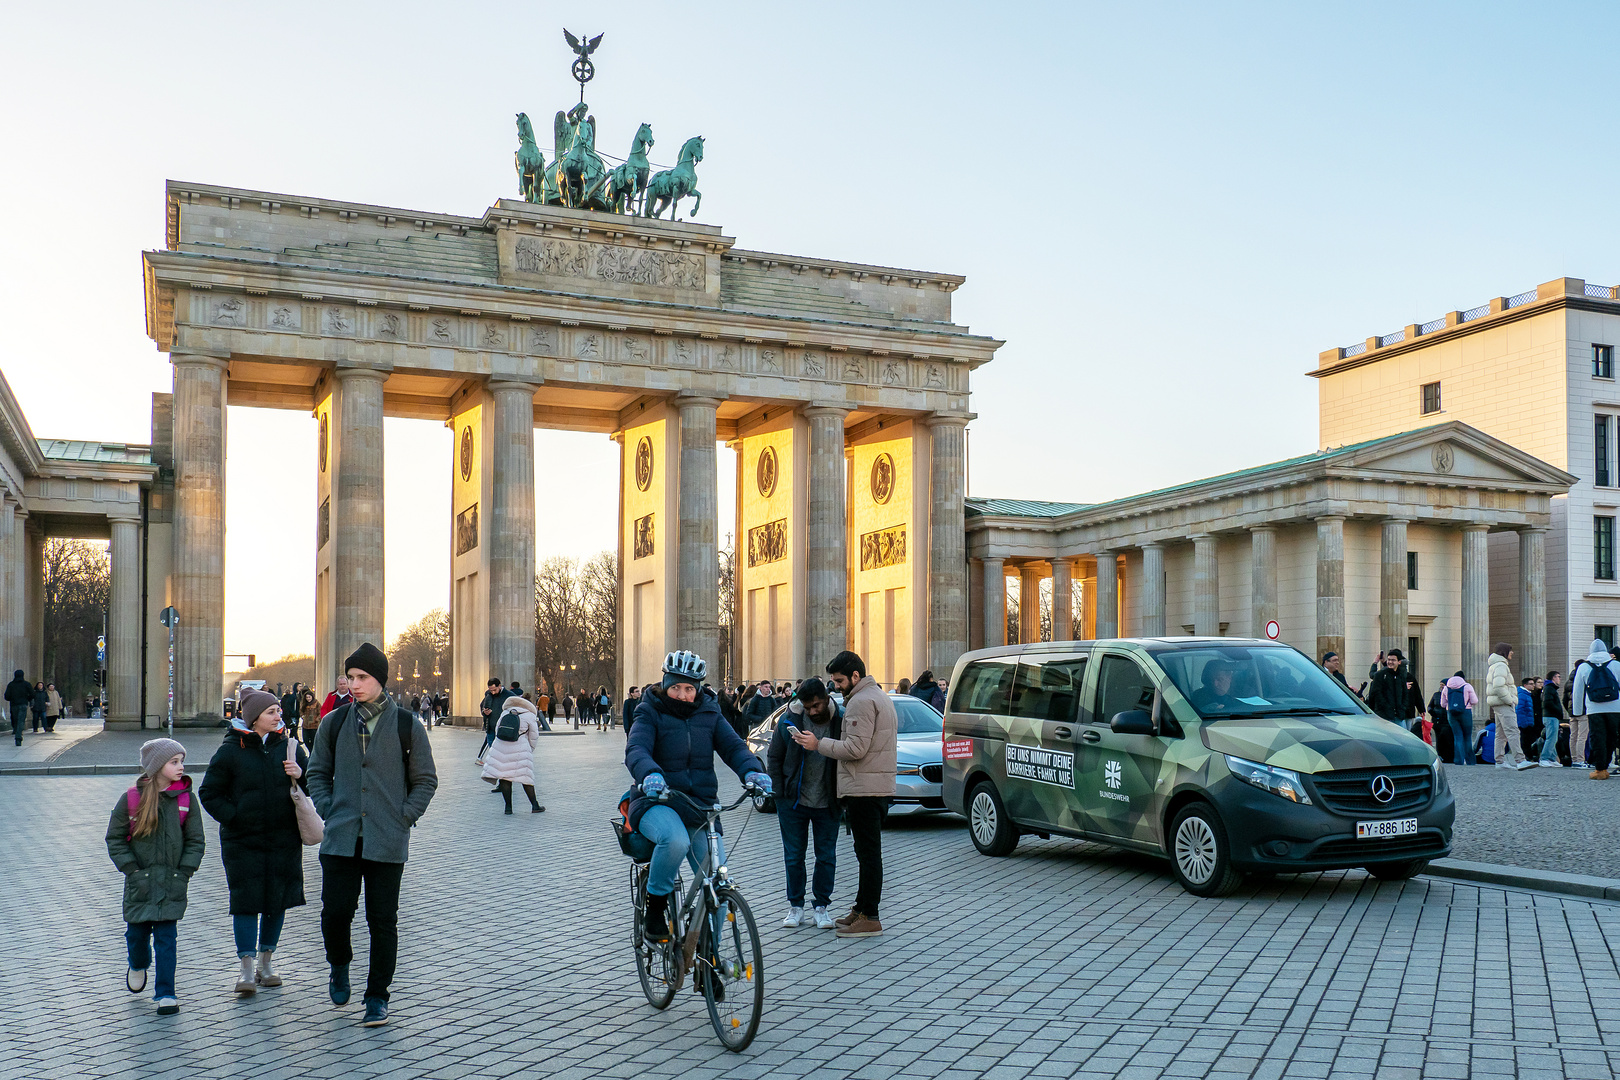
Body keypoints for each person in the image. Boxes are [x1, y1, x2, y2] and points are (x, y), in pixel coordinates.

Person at [306, 642, 439, 1028]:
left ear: (379, 679)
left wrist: (405, 817)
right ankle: (339, 964)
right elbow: (316, 772)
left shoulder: (405, 725)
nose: (354, 684)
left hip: (386, 839)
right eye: (350, 677)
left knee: (382, 920)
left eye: (362, 677)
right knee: (335, 914)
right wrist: (329, 810)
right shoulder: (333, 723)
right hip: (341, 838)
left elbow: (426, 780)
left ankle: (378, 996)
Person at [624, 650, 770, 993]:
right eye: (677, 689)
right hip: (657, 799)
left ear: (698, 689)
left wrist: (753, 771)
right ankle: (655, 909)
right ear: (665, 685)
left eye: (690, 689)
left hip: (700, 806)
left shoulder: (709, 711)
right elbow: (637, 749)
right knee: (676, 842)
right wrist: (650, 774)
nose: (684, 696)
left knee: (719, 886)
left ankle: (708, 961)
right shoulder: (650, 710)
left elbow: (734, 747)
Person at [198, 689, 309, 996]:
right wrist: (234, 817)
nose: (278, 716)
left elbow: (313, 786)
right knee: (245, 902)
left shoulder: (291, 748)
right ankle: (246, 969)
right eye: (272, 711)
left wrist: (301, 774)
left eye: (278, 711)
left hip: (283, 838)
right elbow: (208, 793)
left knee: (277, 900)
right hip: (242, 841)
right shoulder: (231, 750)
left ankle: (267, 963)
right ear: (255, 717)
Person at [792, 650, 897, 939]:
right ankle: (861, 908)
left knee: (869, 854)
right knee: (865, 853)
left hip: (865, 788)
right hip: (871, 786)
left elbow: (855, 749)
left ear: (855, 676)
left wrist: (819, 744)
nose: (836, 686)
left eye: (839, 680)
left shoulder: (862, 702)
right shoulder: (875, 696)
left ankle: (870, 916)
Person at [105, 738, 204, 1016]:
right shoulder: (132, 799)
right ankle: (137, 964)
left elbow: (196, 840)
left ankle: (166, 993)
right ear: (157, 766)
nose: (180, 767)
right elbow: (115, 838)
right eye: (174, 762)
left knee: (166, 939)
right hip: (140, 883)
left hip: (172, 882)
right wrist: (132, 870)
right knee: (136, 936)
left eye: (181, 761)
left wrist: (184, 871)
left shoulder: (186, 798)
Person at [768, 677, 842, 930]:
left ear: (826, 698)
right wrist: (778, 793)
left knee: (826, 856)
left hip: (828, 801)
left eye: (817, 705)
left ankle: (821, 907)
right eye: (808, 706)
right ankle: (795, 906)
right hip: (792, 801)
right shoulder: (789, 719)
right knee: (794, 856)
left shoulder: (840, 719)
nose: (812, 711)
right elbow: (774, 756)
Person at [481, 693, 544, 814]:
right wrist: (530, 748)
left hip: (502, 747)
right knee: (526, 778)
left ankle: (508, 807)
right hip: (520, 747)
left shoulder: (505, 713)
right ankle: (535, 805)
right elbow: (534, 736)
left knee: (505, 777)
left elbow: (497, 729)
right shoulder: (529, 715)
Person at [1572, 639, 1620, 779]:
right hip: (1615, 707)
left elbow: (1577, 691)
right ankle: (1607, 763)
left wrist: (1577, 710)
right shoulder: (1616, 665)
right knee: (1611, 737)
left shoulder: (1583, 667)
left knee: (1597, 737)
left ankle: (1600, 769)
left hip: (1594, 708)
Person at [1486, 643, 1534, 770]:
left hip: (1498, 703)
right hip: (1503, 703)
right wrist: (1510, 700)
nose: (1512, 653)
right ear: (1504, 652)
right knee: (1512, 731)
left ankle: (1500, 761)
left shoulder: (1495, 665)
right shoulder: (1501, 666)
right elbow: (1498, 686)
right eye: (1510, 651)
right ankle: (1520, 760)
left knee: (1501, 734)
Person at [1367, 652, 1416, 727]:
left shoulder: (1401, 676)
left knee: (1402, 737)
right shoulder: (1380, 675)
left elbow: (1405, 694)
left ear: (1399, 662)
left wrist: (1402, 707)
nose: (1390, 662)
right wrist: (1385, 707)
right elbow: (1375, 694)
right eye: (1389, 660)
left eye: (1393, 660)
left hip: (1399, 715)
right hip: (1384, 715)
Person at [1441, 672, 1478, 766]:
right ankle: (1470, 760)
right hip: (1465, 712)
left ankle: (1458, 760)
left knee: (1457, 737)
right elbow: (1475, 701)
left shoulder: (1446, 687)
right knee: (1467, 737)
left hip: (1451, 713)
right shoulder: (1467, 686)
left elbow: (1442, 704)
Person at [477, 677, 509, 764]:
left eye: (494, 690)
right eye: (491, 690)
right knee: (492, 750)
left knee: (502, 751)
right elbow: (482, 705)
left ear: (499, 686)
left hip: (503, 728)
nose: (493, 692)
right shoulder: (488, 694)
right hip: (490, 727)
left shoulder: (509, 695)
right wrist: (484, 712)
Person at [1542, 671, 1566, 766]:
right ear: (1553, 678)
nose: (1560, 679)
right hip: (1551, 716)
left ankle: (1552, 758)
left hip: (1550, 716)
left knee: (1553, 737)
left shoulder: (1549, 688)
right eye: (1558, 677)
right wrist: (1558, 711)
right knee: (1551, 738)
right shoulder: (1549, 688)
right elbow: (1547, 702)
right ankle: (1545, 758)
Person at [5, 669, 29, 745]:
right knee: (21, 721)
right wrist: (27, 698)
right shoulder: (26, 684)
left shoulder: (11, 684)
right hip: (23, 704)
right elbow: (32, 694)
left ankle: (15, 730)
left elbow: (7, 696)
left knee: (15, 719)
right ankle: (18, 736)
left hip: (14, 704)